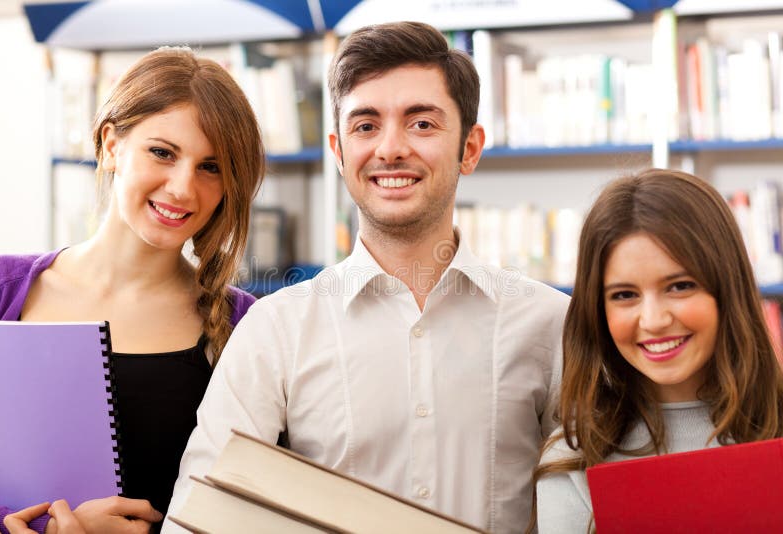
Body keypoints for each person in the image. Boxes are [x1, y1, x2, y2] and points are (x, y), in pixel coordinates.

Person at [164, 21, 569, 534]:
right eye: (366, 125)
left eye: (422, 124)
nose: (391, 148)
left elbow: (586, 507)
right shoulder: (277, 329)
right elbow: (198, 517)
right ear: (337, 150)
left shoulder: (551, 324)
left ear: (469, 148)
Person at [0, 46, 265, 533]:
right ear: (112, 144)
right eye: (162, 152)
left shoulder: (247, 326)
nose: (182, 188)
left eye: (211, 167)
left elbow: (254, 514)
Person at [532, 169, 783, 533]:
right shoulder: (574, 459)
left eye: (679, 286)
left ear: (726, 289)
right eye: (624, 295)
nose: (652, 320)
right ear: (598, 310)